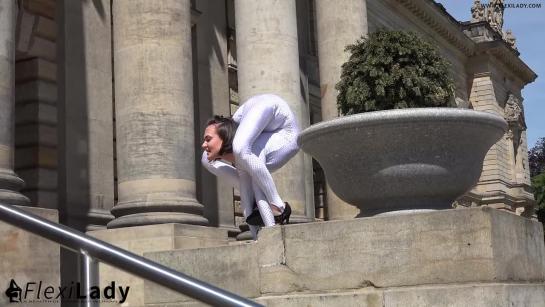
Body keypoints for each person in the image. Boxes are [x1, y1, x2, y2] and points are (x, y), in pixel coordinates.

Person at [201, 94, 300, 239]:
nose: (203, 144)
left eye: (208, 139)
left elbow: (241, 149)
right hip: (259, 118)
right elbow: (246, 199)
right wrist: (256, 239)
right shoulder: (243, 158)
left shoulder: (246, 149)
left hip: (286, 131)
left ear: (223, 137)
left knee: (241, 150)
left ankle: (278, 205)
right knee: (249, 188)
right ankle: (264, 231)